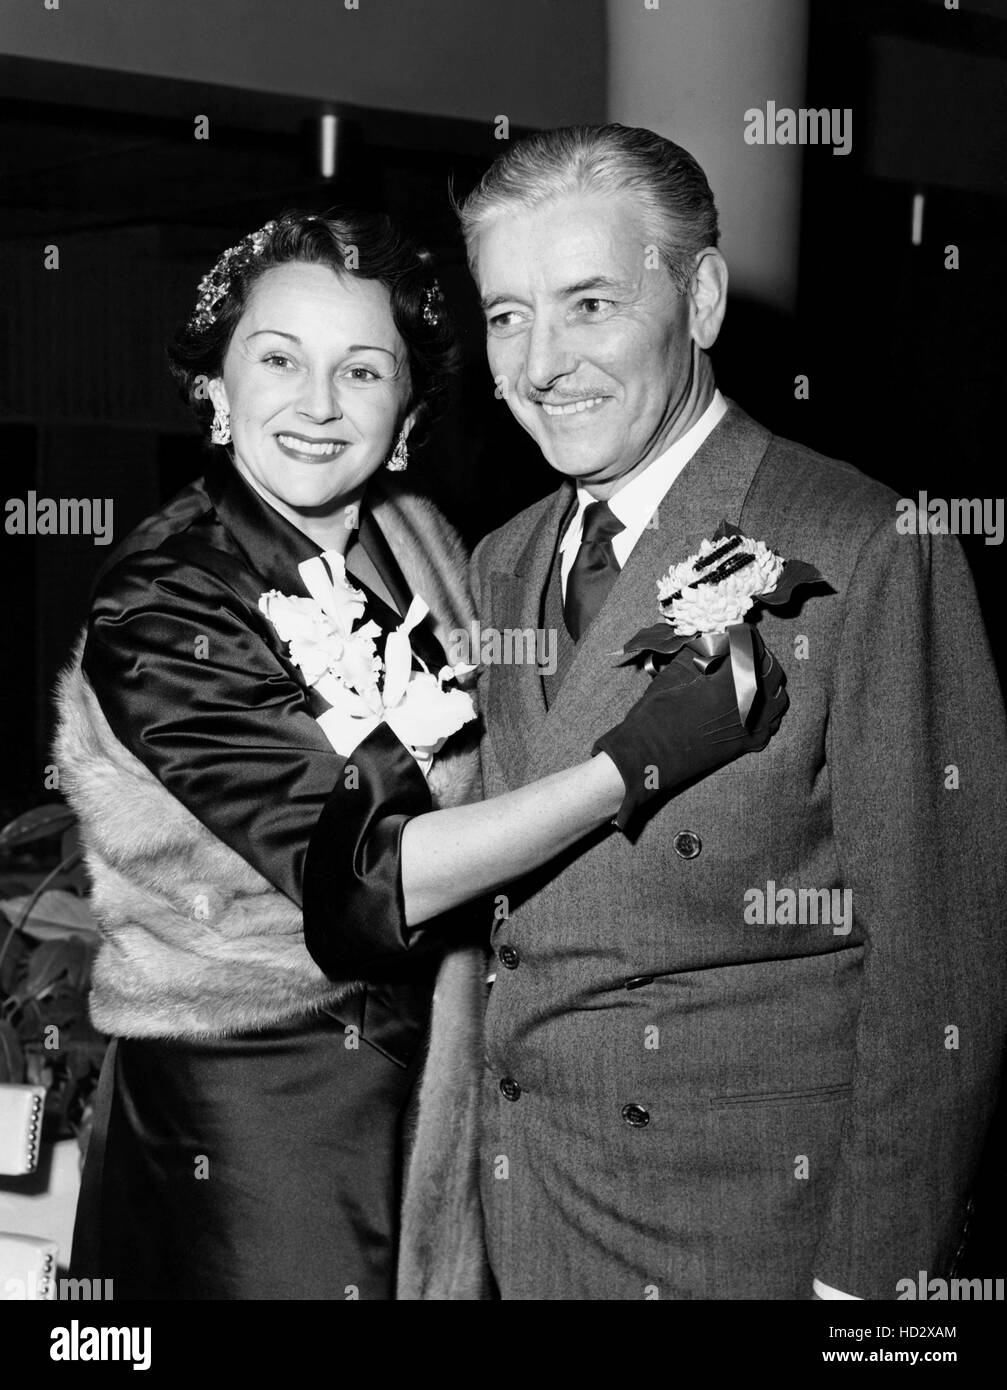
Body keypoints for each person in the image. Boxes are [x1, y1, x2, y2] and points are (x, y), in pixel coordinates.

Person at [55, 208, 786, 1300]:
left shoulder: (424, 542)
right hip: (253, 1112)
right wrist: (634, 760)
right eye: (277, 360)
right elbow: (372, 881)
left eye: (361, 370)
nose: (316, 404)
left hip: (445, 1084)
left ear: (406, 410)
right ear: (216, 387)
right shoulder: (162, 603)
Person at [398, 124, 1007, 1300]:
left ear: (704, 297)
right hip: (528, 1210)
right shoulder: (499, 559)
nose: (538, 363)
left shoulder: (864, 544)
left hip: (744, 1233)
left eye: (587, 304)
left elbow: (946, 972)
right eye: (507, 315)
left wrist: (867, 1296)